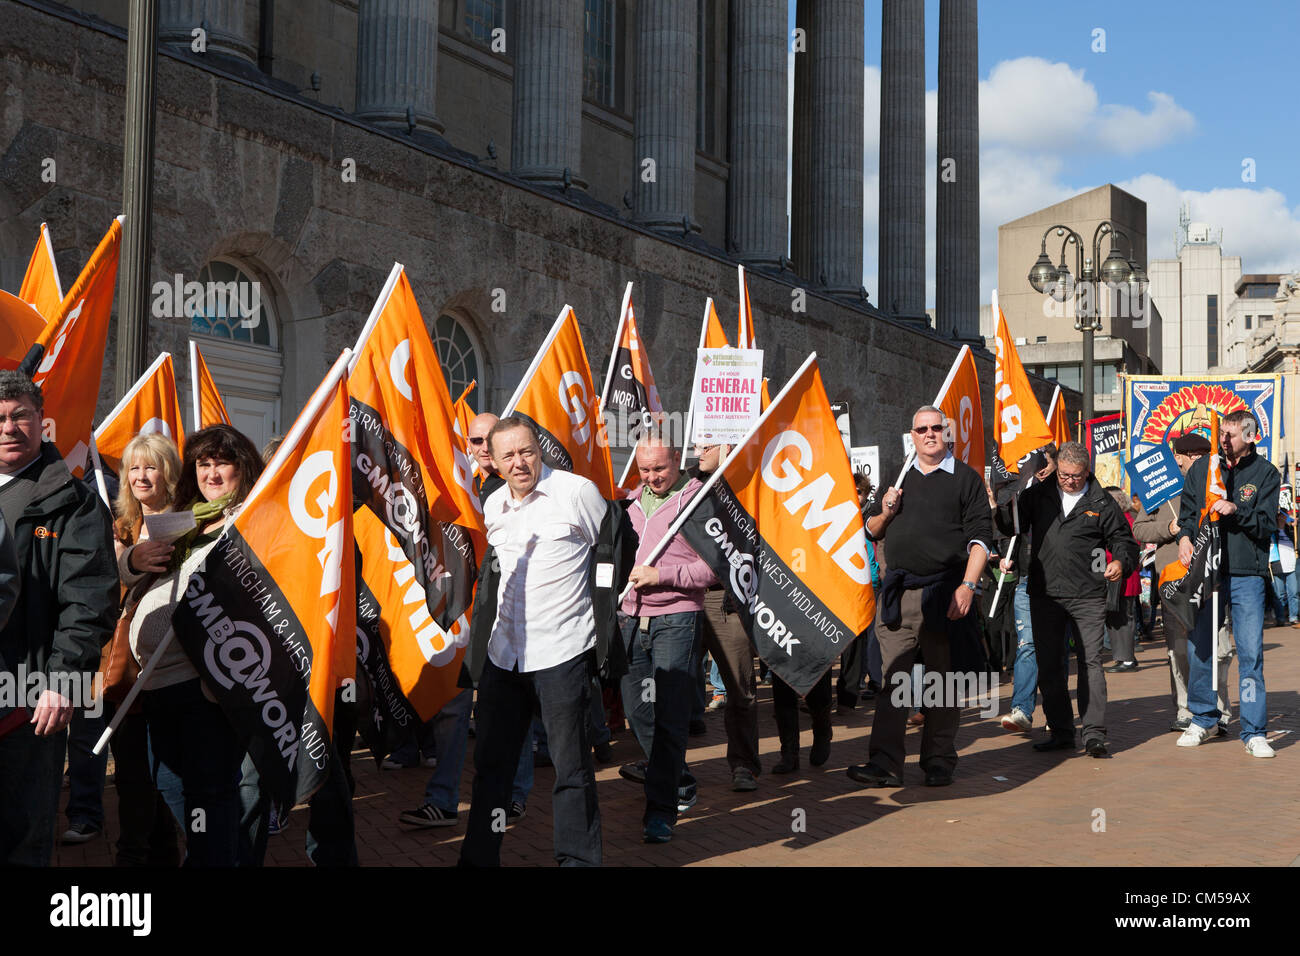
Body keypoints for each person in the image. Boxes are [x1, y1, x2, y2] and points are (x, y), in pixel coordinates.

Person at [460, 417, 624, 866]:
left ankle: (578, 861)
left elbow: (612, 552)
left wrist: (604, 624)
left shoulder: (576, 492)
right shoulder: (492, 504)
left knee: (570, 770)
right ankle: (478, 858)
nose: (519, 463)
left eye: (527, 451)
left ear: (540, 449)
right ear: (492, 461)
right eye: (508, 455)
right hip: (503, 656)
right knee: (492, 769)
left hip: (562, 653)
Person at [123, 424, 265, 866]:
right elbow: (129, 576)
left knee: (209, 793)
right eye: (203, 463)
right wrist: (134, 559)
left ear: (244, 467)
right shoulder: (188, 517)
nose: (213, 473)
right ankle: (227, 855)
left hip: (206, 687)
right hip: (156, 685)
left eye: (222, 462)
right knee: (171, 784)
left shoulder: (255, 519)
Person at [0, 370, 112, 866]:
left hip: (28, 699)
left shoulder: (74, 503)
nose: (9, 426)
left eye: (20, 415)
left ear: (41, 422)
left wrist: (62, 681)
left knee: (24, 834)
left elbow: (89, 600)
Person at [847, 405, 991, 789]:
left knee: (943, 682)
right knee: (891, 680)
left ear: (946, 431)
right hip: (899, 595)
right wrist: (887, 511)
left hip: (946, 594)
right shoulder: (900, 475)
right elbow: (872, 530)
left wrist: (967, 586)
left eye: (936, 428)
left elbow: (980, 539)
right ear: (911, 435)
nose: (929, 433)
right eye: (921, 429)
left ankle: (939, 760)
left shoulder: (966, 480)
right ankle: (885, 764)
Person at [1000, 441, 1137, 758]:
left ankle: (1094, 733)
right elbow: (1012, 525)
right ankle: (1061, 730)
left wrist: (1120, 562)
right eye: (1064, 475)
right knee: (1049, 665)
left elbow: (1123, 539)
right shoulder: (1039, 493)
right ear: (1057, 468)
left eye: (1076, 476)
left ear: (1086, 471)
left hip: (1087, 595)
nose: (1069, 481)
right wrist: (999, 503)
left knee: (1090, 663)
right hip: (1045, 594)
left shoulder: (1101, 501)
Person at [618, 436, 716, 842]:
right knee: (639, 711)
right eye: (645, 469)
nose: (652, 476)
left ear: (678, 459)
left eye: (660, 468)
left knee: (671, 716)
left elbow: (713, 568)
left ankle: (660, 812)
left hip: (677, 619)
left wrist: (663, 576)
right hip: (629, 618)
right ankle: (677, 776)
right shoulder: (629, 502)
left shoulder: (699, 500)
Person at [1175, 410, 1279, 757]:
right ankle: (1202, 718)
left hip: (1247, 574)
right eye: (1222, 434)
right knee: (1200, 646)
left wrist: (1237, 509)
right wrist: (1185, 538)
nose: (1223, 440)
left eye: (1231, 435)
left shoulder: (1265, 474)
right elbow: (1189, 512)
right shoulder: (1204, 469)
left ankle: (1253, 730)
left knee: (1250, 653)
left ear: (1250, 437)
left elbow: (1267, 524)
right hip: (1207, 570)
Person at [106, 432, 183, 865]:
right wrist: (127, 559)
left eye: (151, 466)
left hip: (172, 669)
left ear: (168, 470)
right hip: (125, 674)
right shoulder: (118, 525)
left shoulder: (189, 521)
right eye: (133, 467)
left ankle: (163, 853)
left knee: (166, 775)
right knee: (133, 776)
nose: (141, 476)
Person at [1131, 433, 1229, 732]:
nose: (1199, 460)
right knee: (1179, 650)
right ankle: (1186, 708)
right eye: (1194, 455)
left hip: (1212, 577)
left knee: (1221, 649)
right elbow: (1139, 529)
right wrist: (1170, 527)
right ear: (1179, 457)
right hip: (1176, 579)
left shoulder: (1218, 482)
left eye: (1204, 454)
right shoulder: (1160, 489)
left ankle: (1220, 711)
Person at [689, 441, 762, 791]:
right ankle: (665, 768)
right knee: (665, 685)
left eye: (709, 443)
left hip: (724, 600)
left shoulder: (749, 488)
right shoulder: (686, 487)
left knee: (740, 687)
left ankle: (744, 765)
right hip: (682, 597)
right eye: (697, 442)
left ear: (729, 445)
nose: (699, 449)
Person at [997, 446, 1057, 732]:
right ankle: (1021, 709)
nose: (1042, 466)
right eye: (1037, 461)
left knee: (1055, 648)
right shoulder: (1026, 495)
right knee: (1027, 645)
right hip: (1027, 580)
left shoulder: (1066, 495)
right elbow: (1010, 528)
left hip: (1061, 585)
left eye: (1047, 460)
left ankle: (1058, 714)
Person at [1103, 488, 1142, 673]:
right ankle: (1125, 656)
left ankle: (1126, 658)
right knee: (1117, 618)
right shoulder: (1122, 519)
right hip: (1117, 575)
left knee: (1123, 618)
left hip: (1124, 577)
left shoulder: (1125, 520)